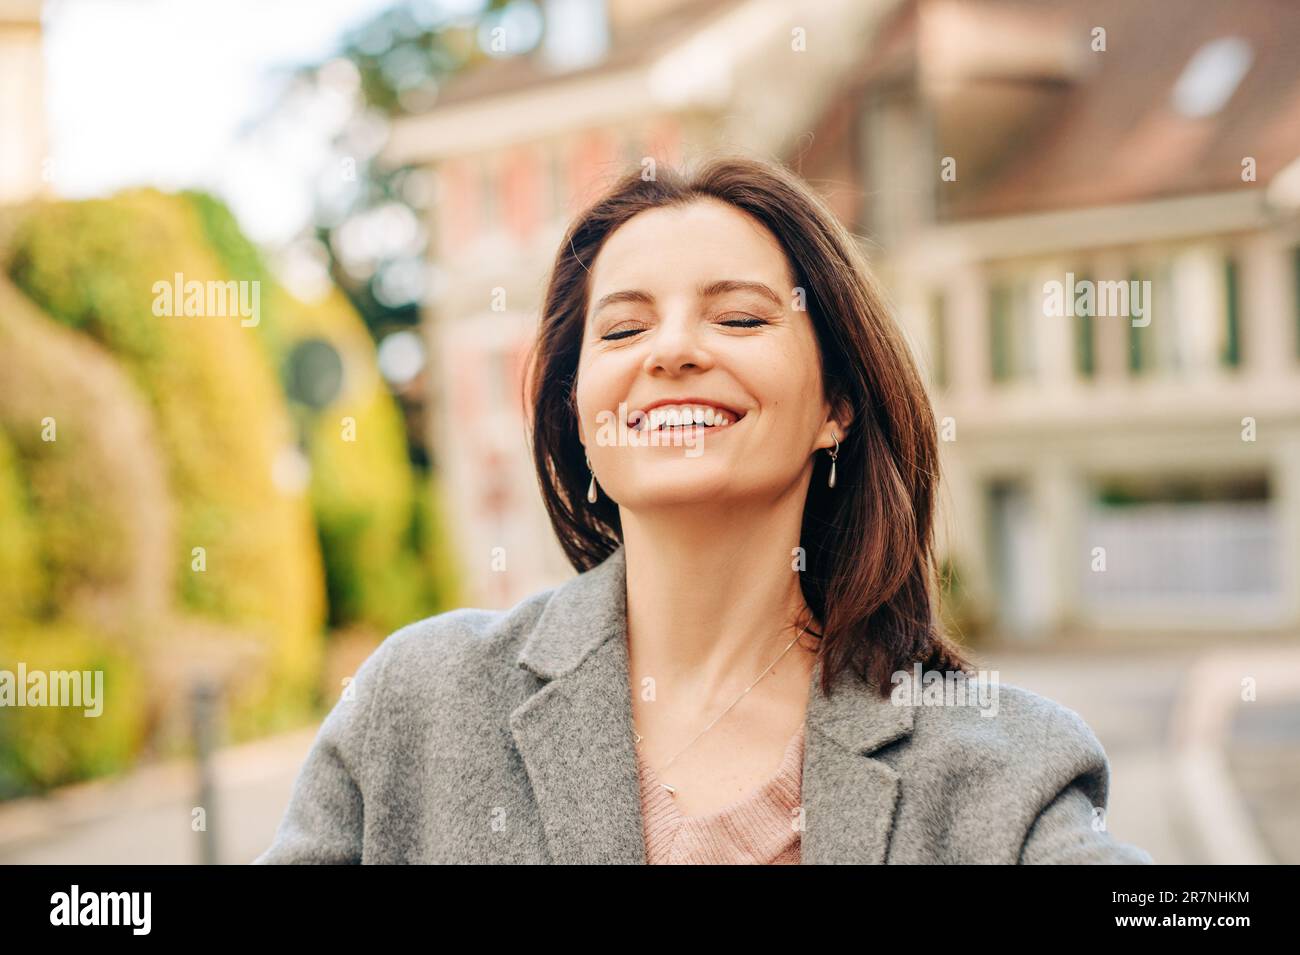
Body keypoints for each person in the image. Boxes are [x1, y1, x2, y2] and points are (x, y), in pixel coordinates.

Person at [254, 154, 1154, 864]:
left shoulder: (999, 764)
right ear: (578, 406)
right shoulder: (418, 706)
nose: (674, 348)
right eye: (622, 328)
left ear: (836, 401)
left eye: (739, 318)